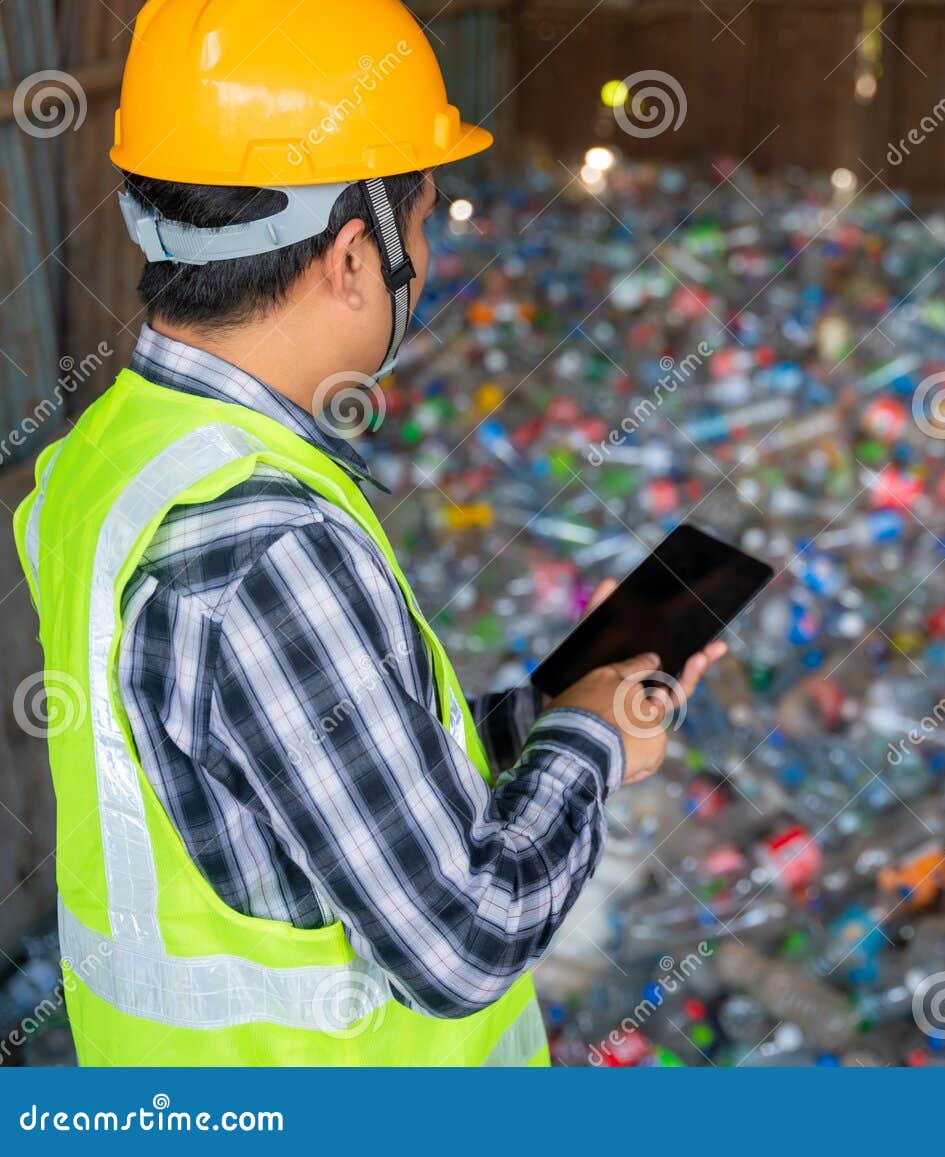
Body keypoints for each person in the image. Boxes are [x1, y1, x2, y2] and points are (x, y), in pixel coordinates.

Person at [13, 0, 724, 1066]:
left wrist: (542, 712)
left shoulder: (106, 455)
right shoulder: (264, 544)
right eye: (426, 219)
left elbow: (283, 771)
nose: (428, 259)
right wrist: (594, 743)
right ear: (354, 254)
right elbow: (463, 942)